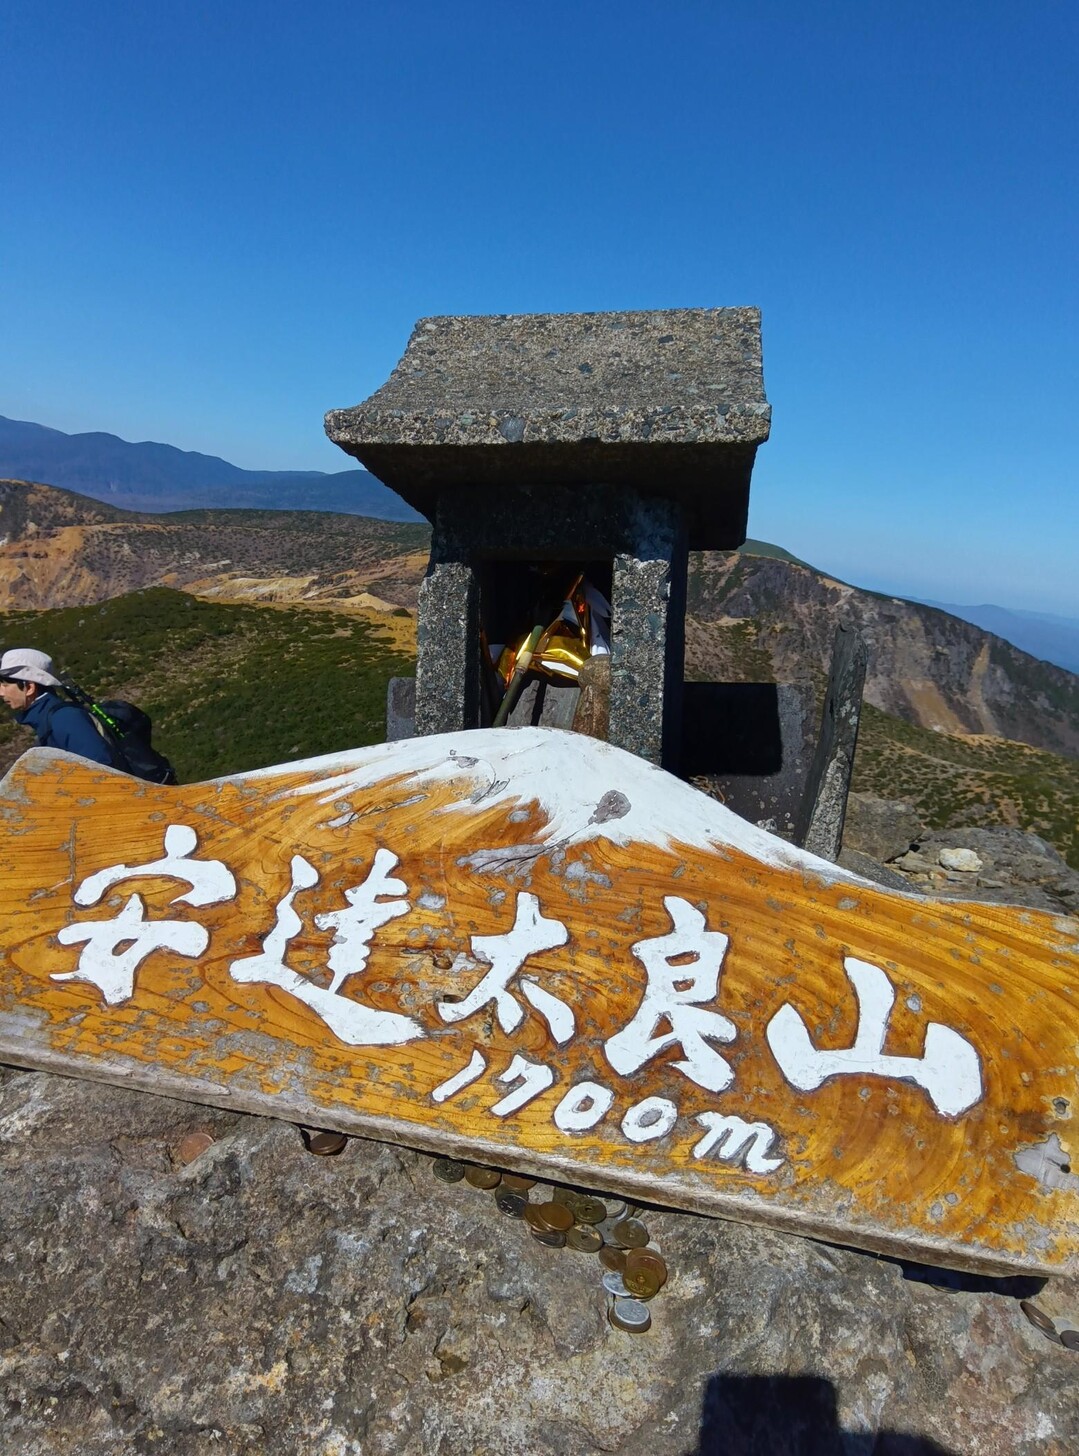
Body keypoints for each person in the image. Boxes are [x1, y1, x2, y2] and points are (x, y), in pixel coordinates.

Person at [0, 648, 116, 767]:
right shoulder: (50, 718)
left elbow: (101, 771)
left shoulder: (66, 718)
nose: (1, 693)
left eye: (5, 685)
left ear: (29, 687)